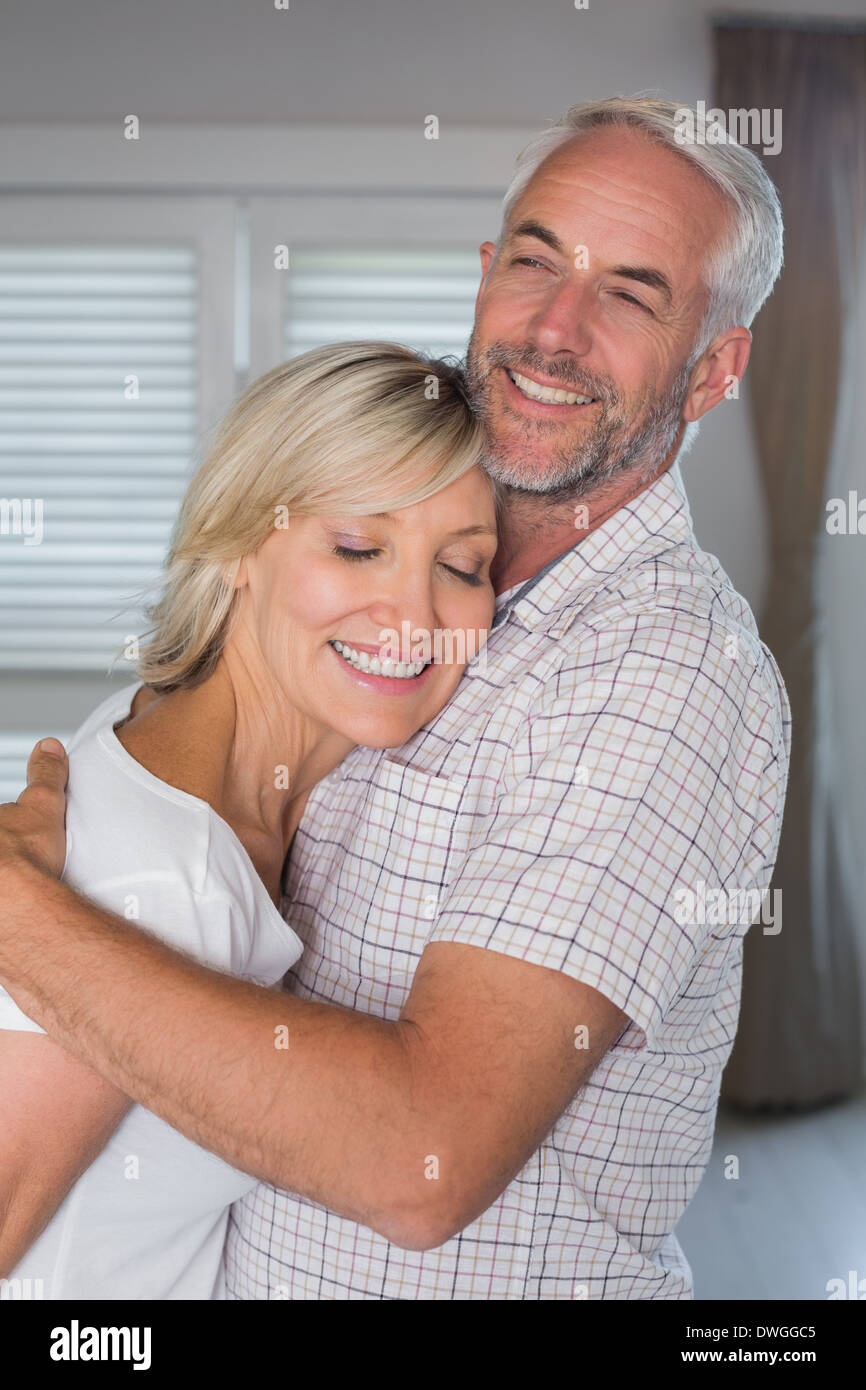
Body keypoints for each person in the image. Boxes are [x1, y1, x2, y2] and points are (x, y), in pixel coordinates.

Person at [0, 96, 791, 1300]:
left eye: (631, 292)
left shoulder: (662, 666)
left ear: (714, 367)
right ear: (485, 273)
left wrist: (20, 912)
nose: (555, 327)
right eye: (535, 259)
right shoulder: (402, 579)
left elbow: (420, 1160)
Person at [0, 341, 498, 1298]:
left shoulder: (185, 747)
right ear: (234, 547)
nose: (412, 614)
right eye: (359, 547)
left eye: (462, 566)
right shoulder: (150, 876)